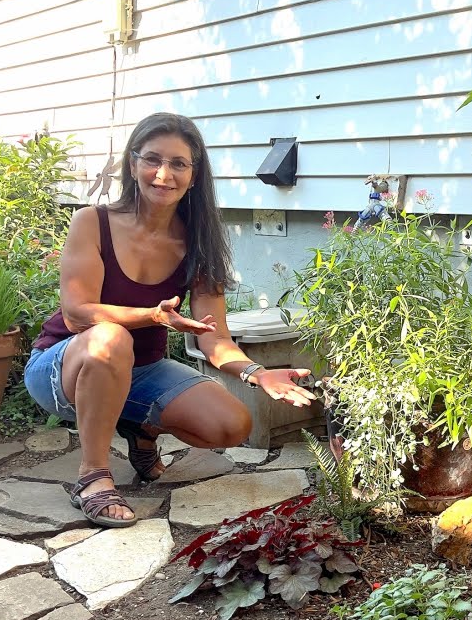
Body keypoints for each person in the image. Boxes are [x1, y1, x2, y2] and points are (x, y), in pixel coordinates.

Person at [25, 112, 316, 528]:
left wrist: (257, 373)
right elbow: (76, 314)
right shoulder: (93, 221)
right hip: (62, 368)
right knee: (110, 339)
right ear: (133, 165)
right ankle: (93, 475)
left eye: (178, 164)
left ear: (194, 175)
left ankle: (140, 429)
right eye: (152, 160)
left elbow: (214, 339)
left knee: (232, 424)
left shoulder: (199, 242)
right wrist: (153, 317)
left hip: (140, 372)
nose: (163, 174)